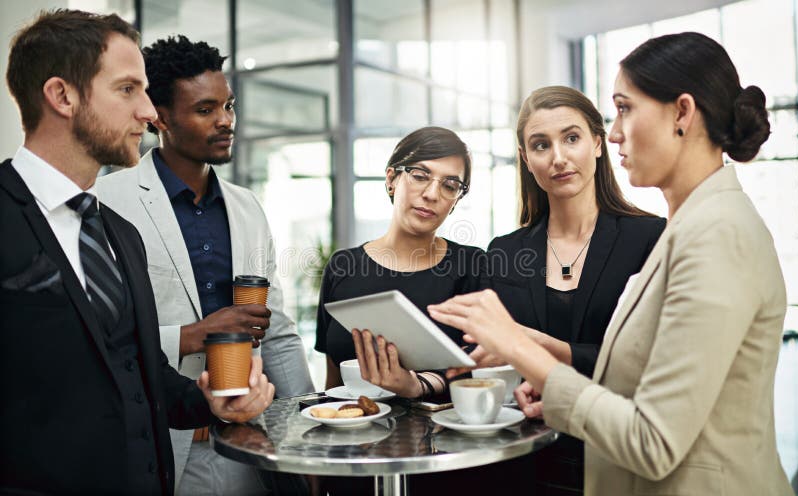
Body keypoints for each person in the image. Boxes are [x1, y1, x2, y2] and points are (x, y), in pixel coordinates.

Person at [430, 32, 793, 496]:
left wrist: (523, 350)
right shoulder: (693, 227)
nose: (616, 130)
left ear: (681, 112)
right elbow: (643, 379)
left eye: (624, 108)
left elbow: (652, 440)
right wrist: (549, 370)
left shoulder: (715, 236)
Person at [0, 10, 273, 495]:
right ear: (62, 96)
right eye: (128, 90)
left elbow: (142, 376)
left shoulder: (118, 233)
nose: (149, 112)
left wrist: (211, 402)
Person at [96, 35, 313, 495]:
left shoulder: (248, 206)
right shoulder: (108, 203)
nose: (226, 121)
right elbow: (97, 341)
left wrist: (306, 431)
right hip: (168, 442)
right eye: (205, 109)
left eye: (229, 106)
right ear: (162, 117)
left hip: (252, 437)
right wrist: (193, 334)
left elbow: (278, 333)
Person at [314, 126, 486, 495]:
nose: (431, 194)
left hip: (444, 466)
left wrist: (416, 385)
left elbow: (482, 372)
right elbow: (333, 382)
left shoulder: (473, 266)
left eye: (449, 185)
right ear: (392, 178)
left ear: (456, 198)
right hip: (353, 466)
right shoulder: (343, 267)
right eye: (420, 175)